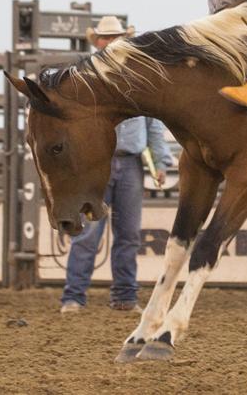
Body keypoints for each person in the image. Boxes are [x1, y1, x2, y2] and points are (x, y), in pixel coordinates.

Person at [60, 16, 174, 313]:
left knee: (129, 234)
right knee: (88, 233)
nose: (110, 42)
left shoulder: (138, 77)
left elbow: (153, 124)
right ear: (96, 41)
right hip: (95, 165)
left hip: (130, 163)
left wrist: (160, 162)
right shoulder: (83, 78)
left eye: (115, 37)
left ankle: (122, 296)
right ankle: (74, 296)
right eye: (106, 37)